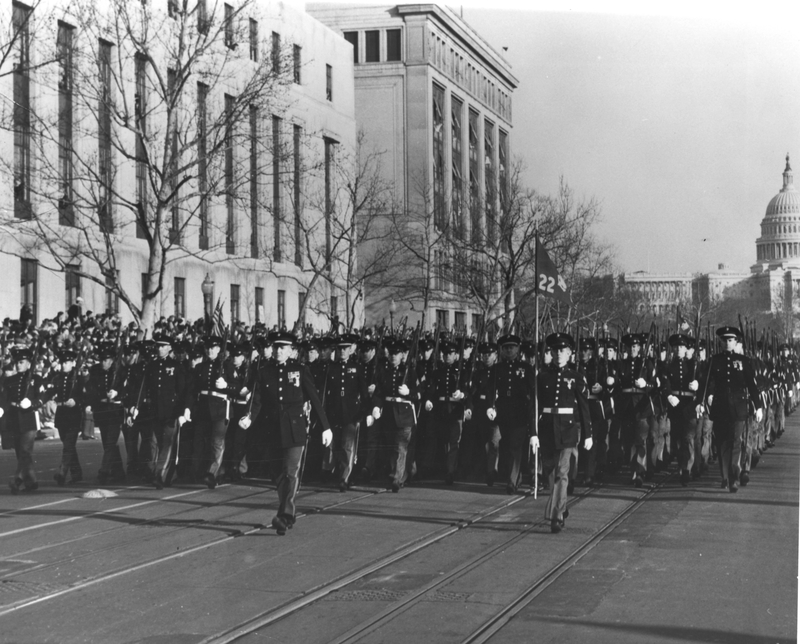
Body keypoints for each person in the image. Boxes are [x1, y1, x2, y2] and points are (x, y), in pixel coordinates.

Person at [248, 331, 332, 535]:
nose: (278, 351)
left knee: (290, 471)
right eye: (276, 347)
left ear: (291, 351)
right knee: (276, 472)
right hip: (271, 430)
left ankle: (286, 515)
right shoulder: (264, 371)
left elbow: (314, 398)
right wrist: (248, 417)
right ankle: (286, 512)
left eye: (283, 348)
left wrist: (325, 426)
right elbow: (256, 401)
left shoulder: (300, 370)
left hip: (294, 429)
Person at [535, 332, 592, 533]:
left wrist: (588, 434)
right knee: (550, 472)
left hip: (567, 430)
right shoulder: (542, 376)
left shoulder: (575, 377)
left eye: (563, 350)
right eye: (555, 350)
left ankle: (556, 516)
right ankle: (561, 505)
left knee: (562, 471)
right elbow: (536, 406)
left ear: (569, 354)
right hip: (547, 429)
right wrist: (533, 432)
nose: (559, 354)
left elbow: (584, 406)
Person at [704, 326, 763, 492]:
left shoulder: (743, 361)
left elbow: (752, 385)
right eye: (724, 340)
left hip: (738, 408)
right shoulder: (714, 360)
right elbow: (708, 382)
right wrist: (706, 397)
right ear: (720, 342)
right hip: (721, 406)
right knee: (723, 442)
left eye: (730, 340)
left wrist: (758, 407)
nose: (727, 343)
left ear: (736, 342)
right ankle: (725, 476)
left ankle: (734, 477)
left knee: (737, 441)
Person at [371, 339, 419, 492]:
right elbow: (379, 393)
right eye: (391, 354)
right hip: (388, 413)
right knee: (392, 447)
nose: (393, 357)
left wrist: (408, 393)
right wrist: (377, 407)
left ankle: (396, 477)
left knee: (400, 446)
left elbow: (419, 393)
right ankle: (401, 473)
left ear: (402, 355)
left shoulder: (409, 371)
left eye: (396, 354)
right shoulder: (383, 371)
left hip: (404, 413)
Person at [324, 333, 369, 491]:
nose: (342, 351)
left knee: (348, 447)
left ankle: (345, 477)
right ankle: (335, 473)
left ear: (351, 350)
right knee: (335, 445)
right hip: (334, 412)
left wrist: (364, 412)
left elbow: (364, 393)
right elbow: (326, 392)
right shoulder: (331, 368)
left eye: (345, 348)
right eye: (340, 348)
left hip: (351, 413)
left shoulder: (356, 368)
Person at [4, 348, 45, 493]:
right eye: (17, 362)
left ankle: (17, 479)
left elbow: (43, 396)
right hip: (14, 418)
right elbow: (5, 397)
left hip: (28, 418)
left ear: (29, 364)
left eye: (22, 362)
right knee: (20, 452)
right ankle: (31, 481)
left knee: (25, 451)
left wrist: (32, 403)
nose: (18, 365)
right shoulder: (10, 380)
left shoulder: (36, 379)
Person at [49, 349, 84, 485]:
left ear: (73, 363)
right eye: (63, 362)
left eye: (67, 362)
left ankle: (62, 472)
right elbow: (51, 391)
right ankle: (76, 473)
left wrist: (76, 400)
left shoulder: (79, 378)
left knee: (69, 445)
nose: (64, 365)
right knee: (69, 446)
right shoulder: (57, 378)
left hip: (74, 415)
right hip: (62, 414)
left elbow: (84, 395)